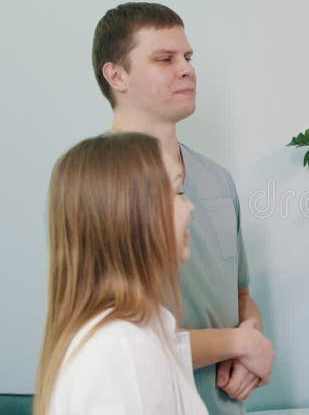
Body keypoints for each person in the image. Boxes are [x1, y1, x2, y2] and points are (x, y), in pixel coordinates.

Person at [91, 2, 274, 415]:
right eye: (164, 59)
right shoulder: (94, 187)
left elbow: (241, 293)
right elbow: (118, 341)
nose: (186, 69)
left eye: (188, 57)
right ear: (116, 74)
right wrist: (240, 343)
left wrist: (252, 334)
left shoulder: (217, 181)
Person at [34, 133, 206, 414]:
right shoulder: (119, 352)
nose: (190, 206)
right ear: (132, 213)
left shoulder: (140, 330)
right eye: (176, 192)